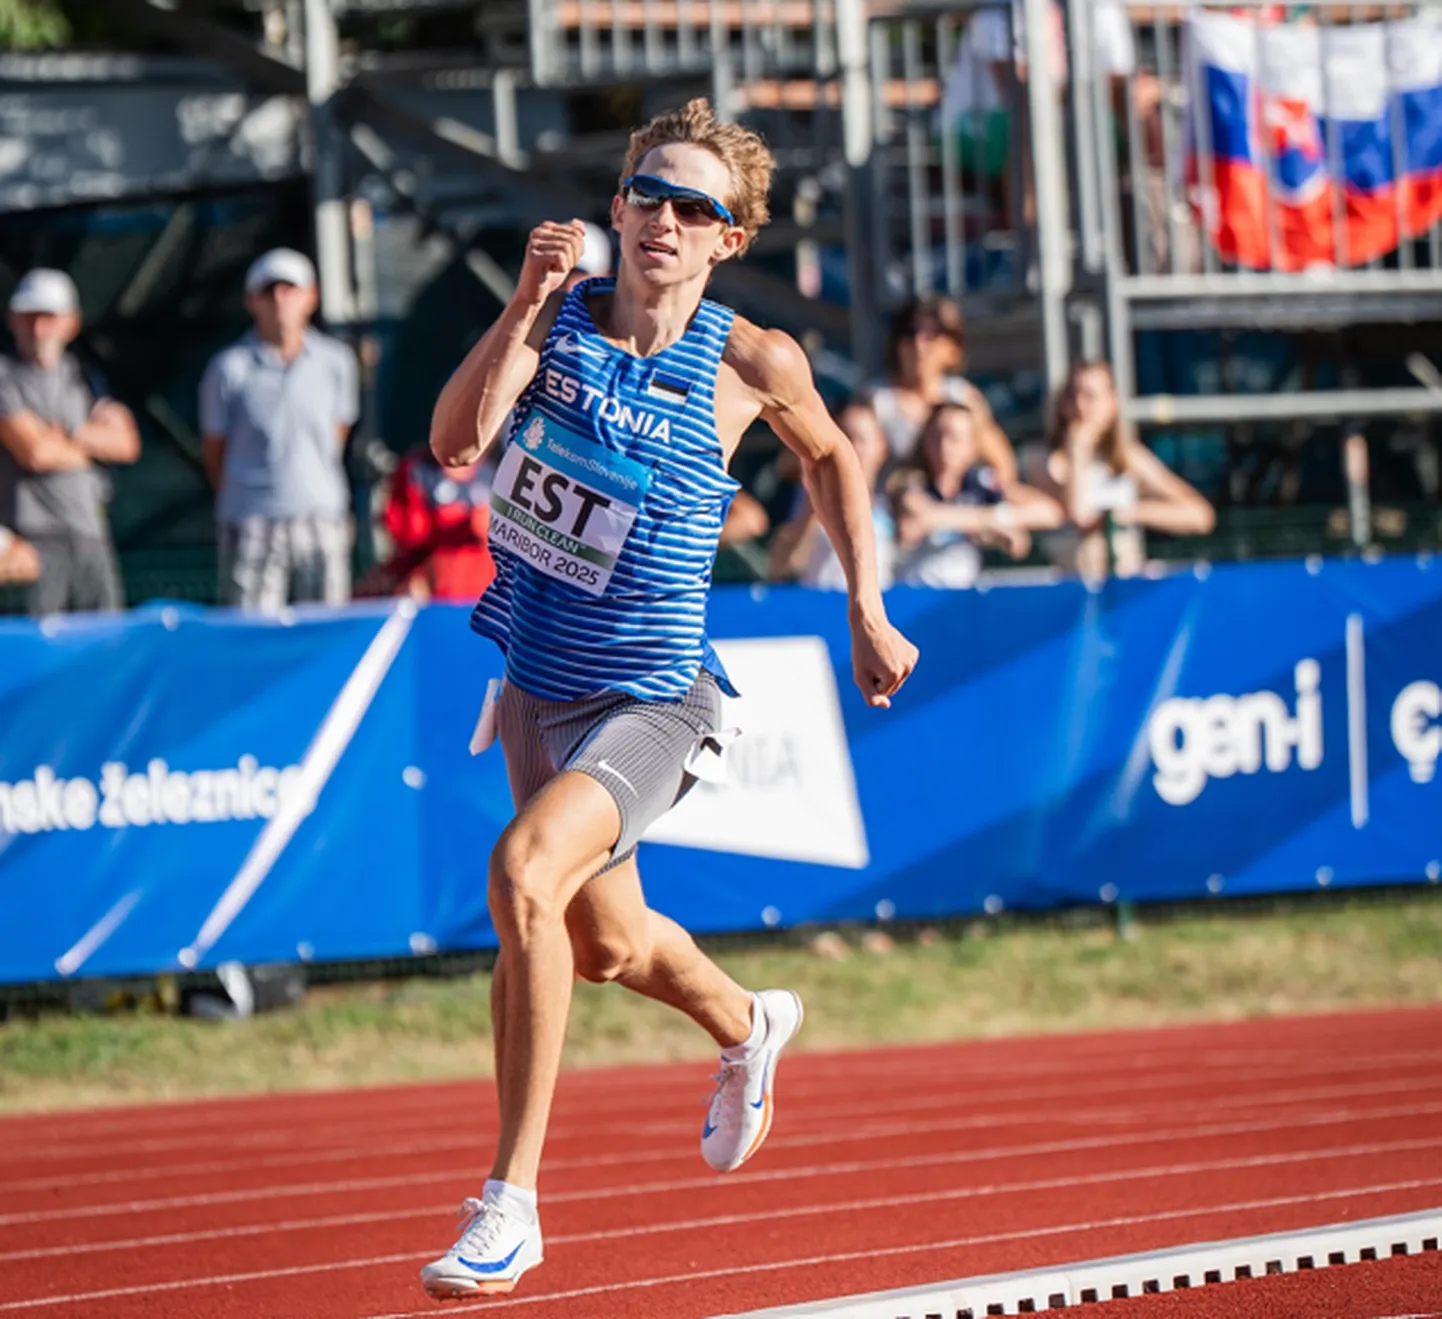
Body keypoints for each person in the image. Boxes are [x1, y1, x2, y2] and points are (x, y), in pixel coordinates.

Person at [421, 97, 918, 1299]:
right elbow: (453, 443)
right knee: (602, 943)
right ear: (615, 208)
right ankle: (748, 1022)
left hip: (654, 698)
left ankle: (511, 1203)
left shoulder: (750, 361)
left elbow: (835, 456)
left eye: (693, 206)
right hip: (537, 683)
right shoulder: (562, 322)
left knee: (524, 874)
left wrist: (865, 603)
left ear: (726, 239)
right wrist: (520, 308)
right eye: (647, 193)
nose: (662, 217)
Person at [200, 248, 359, 611]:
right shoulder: (227, 369)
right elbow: (214, 451)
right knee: (252, 637)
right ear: (251, 302)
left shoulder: (337, 363)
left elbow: (337, 434)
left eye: (289, 289)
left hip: (322, 517)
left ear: (310, 298)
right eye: (268, 291)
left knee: (327, 630)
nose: (279, 300)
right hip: (250, 520)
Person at [0, 268, 139, 615]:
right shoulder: (4, 376)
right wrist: (94, 449)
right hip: (31, 544)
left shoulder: (86, 377)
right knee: (40, 655)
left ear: (70, 323)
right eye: (28, 316)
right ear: (12, 319)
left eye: (47, 316)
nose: (37, 328)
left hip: (91, 537)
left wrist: (70, 435)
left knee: (105, 645)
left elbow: (126, 444)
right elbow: (36, 452)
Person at [1027, 360, 1215, 582]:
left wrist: (1127, 512)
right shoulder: (1041, 460)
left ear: (1111, 401)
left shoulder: (1129, 459)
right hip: (1067, 592)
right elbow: (1078, 513)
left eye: (1090, 396)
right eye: (1072, 395)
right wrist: (1077, 450)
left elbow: (1200, 515)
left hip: (1124, 588)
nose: (1079, 406)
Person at [894, 399, 1062, 588]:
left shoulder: (983, 483)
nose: (944, 446)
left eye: (955, 438)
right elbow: (924, 515)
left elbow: (1049, 513)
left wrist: (997, 520)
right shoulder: (908, 482)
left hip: (964, 596)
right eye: (937, 436)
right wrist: (991, 524)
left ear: (973, 446)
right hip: (913, 593)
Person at [867, 296, 1016, 481]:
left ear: (953, 349)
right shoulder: (877, 401)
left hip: (956, 506)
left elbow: (1002, 465)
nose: (919, 345)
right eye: (910, 333)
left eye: (933, 336)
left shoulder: (963, 397)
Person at [770, 397, 894, 590]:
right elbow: (781, 566)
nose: (852, 449)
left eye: (861, 439)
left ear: (881, 447)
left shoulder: (898, 501)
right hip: (819, 609)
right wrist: (812, 512)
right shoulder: (802, 498)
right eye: (844, 439)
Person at [372, 445, 497, 602]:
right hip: (431, 598)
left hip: (481, 598)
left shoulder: (493, 474)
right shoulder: (417, 471)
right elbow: (404, 533)